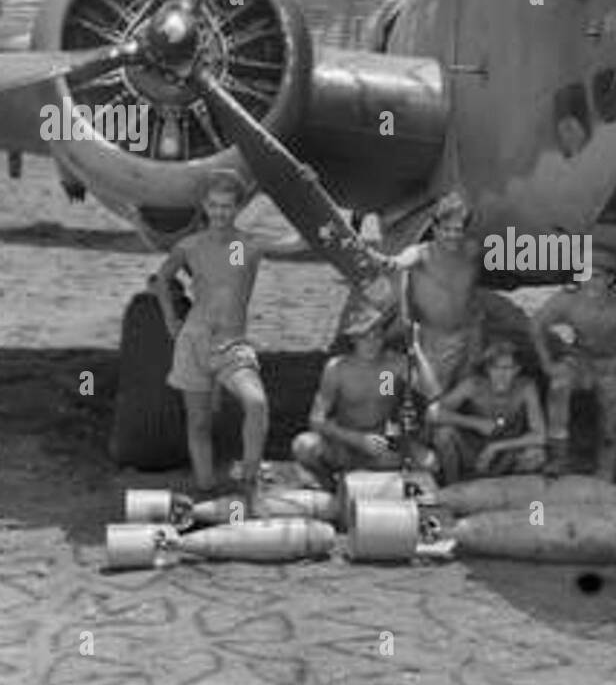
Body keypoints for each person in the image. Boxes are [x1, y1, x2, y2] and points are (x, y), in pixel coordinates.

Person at [155, 170, 269, 493]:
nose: (220, 213)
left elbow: (304, 231)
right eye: (214, 205)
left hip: (232, 345)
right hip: (193, 341)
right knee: (199, 422)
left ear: (238, 208)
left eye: (227, 206)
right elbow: (162, 279)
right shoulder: (189, 246)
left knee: (256, 403)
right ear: (205, 206)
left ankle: (249, 478)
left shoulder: (250, 246)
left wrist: (305, 185)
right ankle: (205, 487)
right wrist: (170, 320)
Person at [531, 248, 616, 481]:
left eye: (597, 276)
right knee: (559, 384)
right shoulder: (567, 300)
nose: (590, 282)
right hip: (582, 360)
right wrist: (547, 363)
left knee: (610, 428)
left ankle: (604, 474)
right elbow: (536, 325)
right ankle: (559, 458)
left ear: (610, 279)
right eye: (585, 274)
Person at [292, 304, 434, 486]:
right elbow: (316, 420)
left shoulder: (390, 367)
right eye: (364, 337)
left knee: (430, 462)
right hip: (345, 442)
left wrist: (416, 348)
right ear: (353, 340)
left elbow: (431, 392)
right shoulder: (337, 368)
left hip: (381, 446)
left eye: (377, 336)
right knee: (303, 445)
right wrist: (357, 439)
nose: (372, 343)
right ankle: (330, 487)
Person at [377, 191, 484, 400]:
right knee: (389, 372)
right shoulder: (420, 253)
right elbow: (400, 260)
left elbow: (508, 256)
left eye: (458, 230)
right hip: (430, 339)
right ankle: (386, 409)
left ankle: (445, 414)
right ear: (434, 228)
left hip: (467, 337)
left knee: (461, 395)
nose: (453, 236)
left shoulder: (472, 251)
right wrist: (388, 262)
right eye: (446, 230)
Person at [427, 339, 547, 485]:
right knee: (444, 434)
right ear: (487, 369)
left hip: (505, 452)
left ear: (517, 370)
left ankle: (508, 491)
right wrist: (475, 423)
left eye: (508, 368)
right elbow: (433, 413)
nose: (502, 374)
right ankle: (453, 486)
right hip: (471, 451)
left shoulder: (525, 387)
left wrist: (495, 448)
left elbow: (540, 436)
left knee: (535, 454)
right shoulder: (473, 385)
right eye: (496, 368)